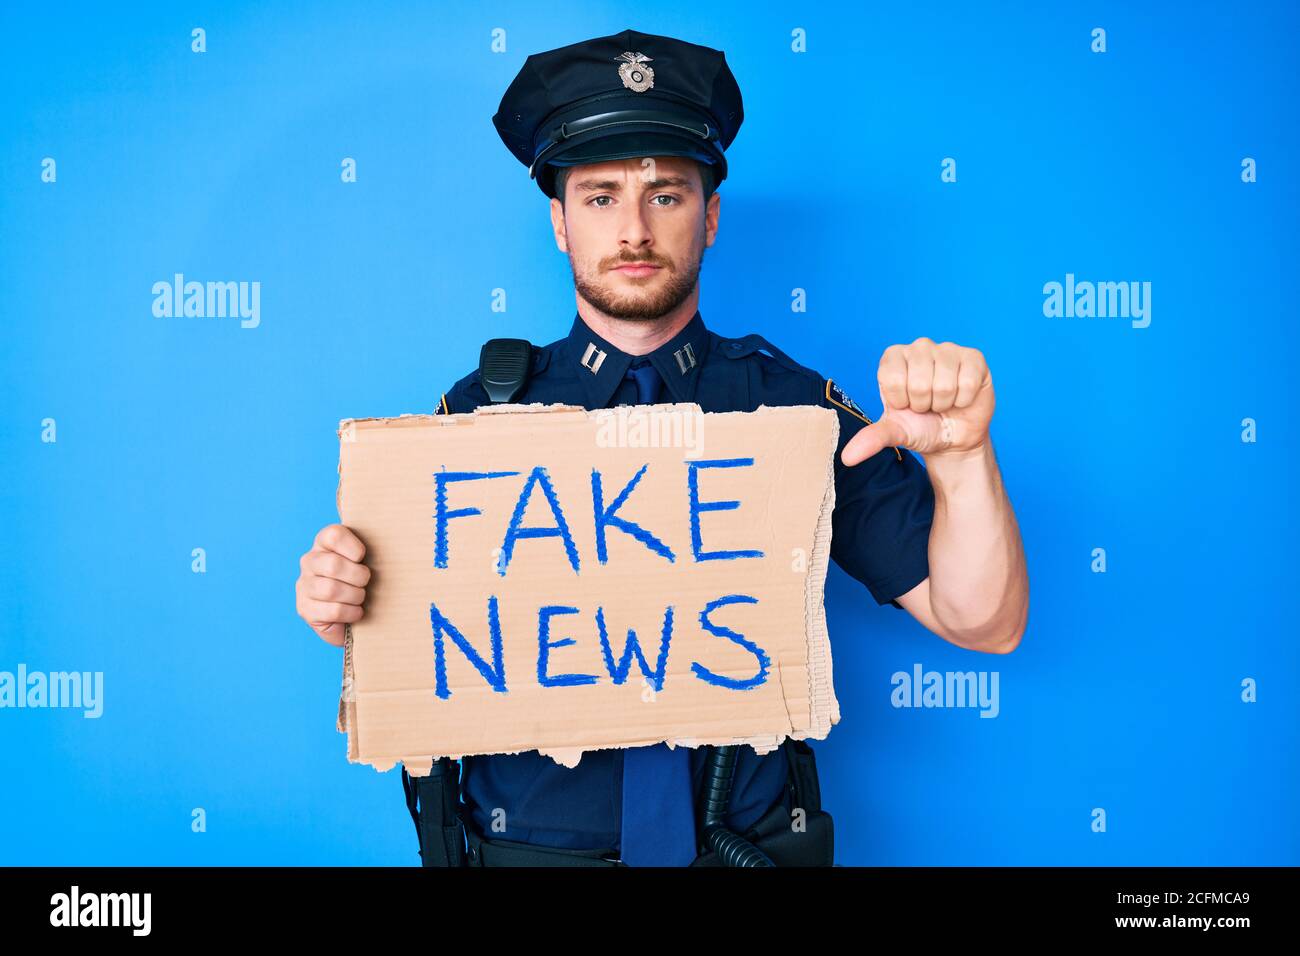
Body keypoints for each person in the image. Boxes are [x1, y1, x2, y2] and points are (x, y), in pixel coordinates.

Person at [294, 28, 1029, 866]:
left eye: (667, 195)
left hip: (740, 847)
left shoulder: (790, 410)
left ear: (711, 216)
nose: (634, 228)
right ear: (560, 224)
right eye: (601, 196)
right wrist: (344, 605)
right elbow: (407, 632)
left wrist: (965, 461)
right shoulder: (472, 423)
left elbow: (986, 624)